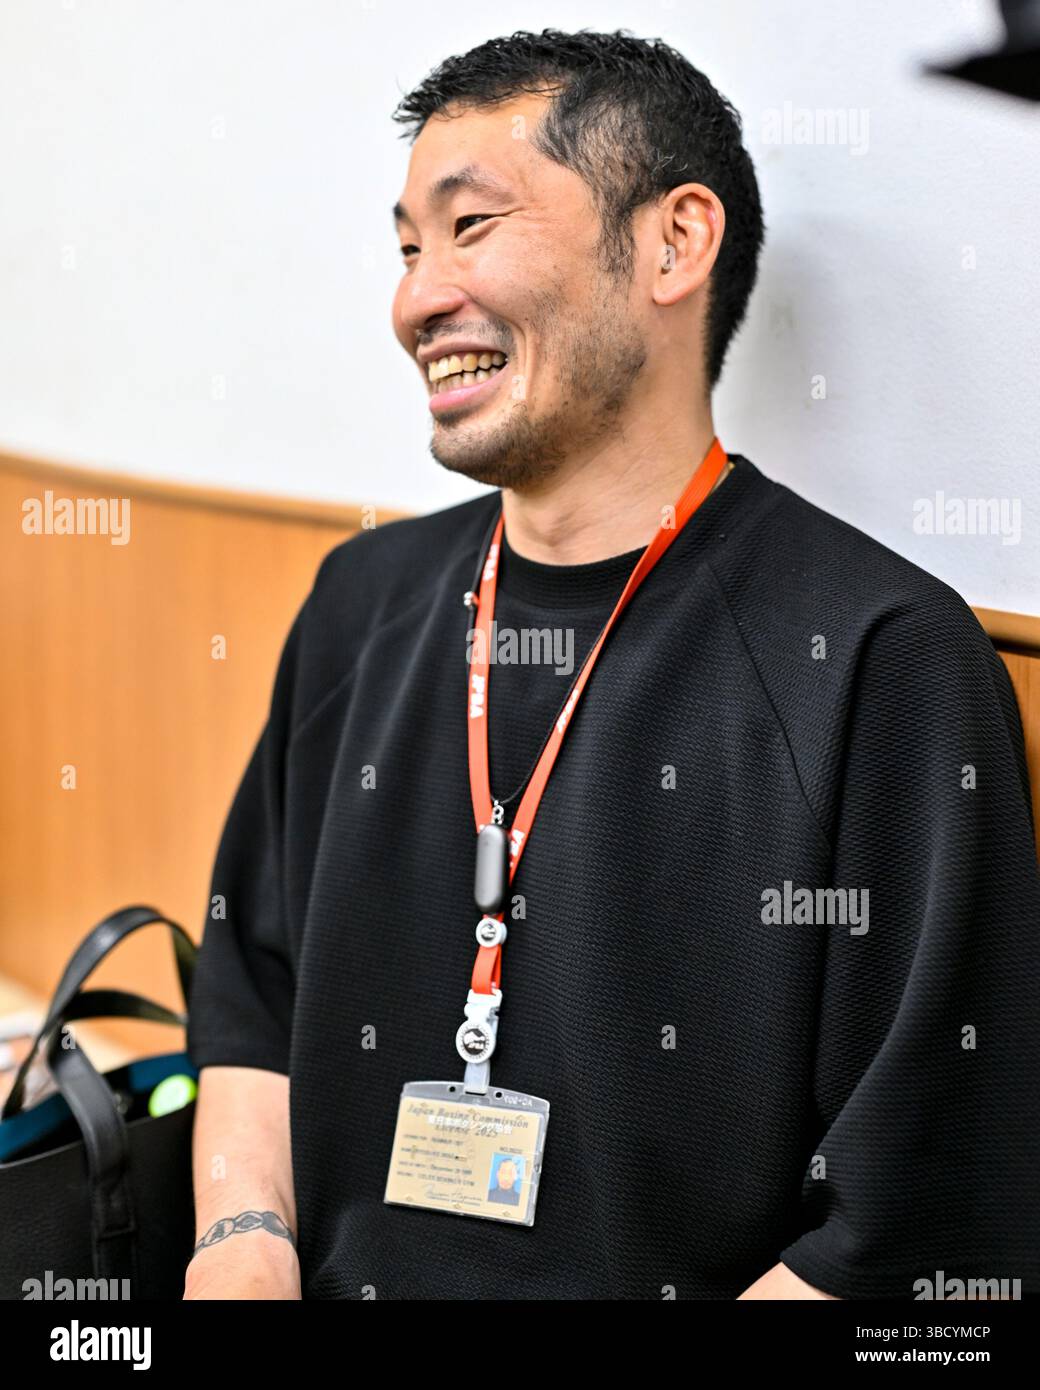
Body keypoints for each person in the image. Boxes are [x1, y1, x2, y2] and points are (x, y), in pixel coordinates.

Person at [184, 28, 1040, 1301]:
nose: (415, 299)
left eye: (470, 228)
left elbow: (919, 1206)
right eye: (408, 246)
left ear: (671, 244)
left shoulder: (875, 657)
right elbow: (252, 993)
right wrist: (239, 1239)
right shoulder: (358, 603)